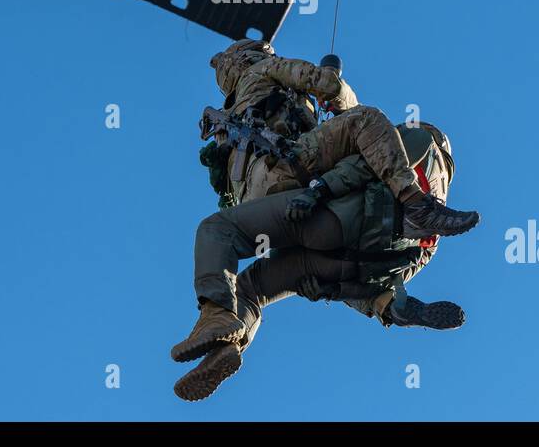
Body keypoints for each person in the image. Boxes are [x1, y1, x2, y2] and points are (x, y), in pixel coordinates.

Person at [173, 121, 473, 401]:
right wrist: (332, 291)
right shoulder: (434, 232)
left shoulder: (417, 141)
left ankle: (220, 320)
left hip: (327, 219)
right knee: (253, 290)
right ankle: (228, 348)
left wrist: (319, 190)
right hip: (334, 267)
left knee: (220, 230)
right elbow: (383, 274)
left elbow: (364, 165)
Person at [204, 39, 477, 237]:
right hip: (285, 167)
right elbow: (327, 85)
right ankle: (415, 203)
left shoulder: (224, 124)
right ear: (252, 57)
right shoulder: (263, 69)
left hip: (258, 211)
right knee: (367, 119)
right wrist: (338, 96)